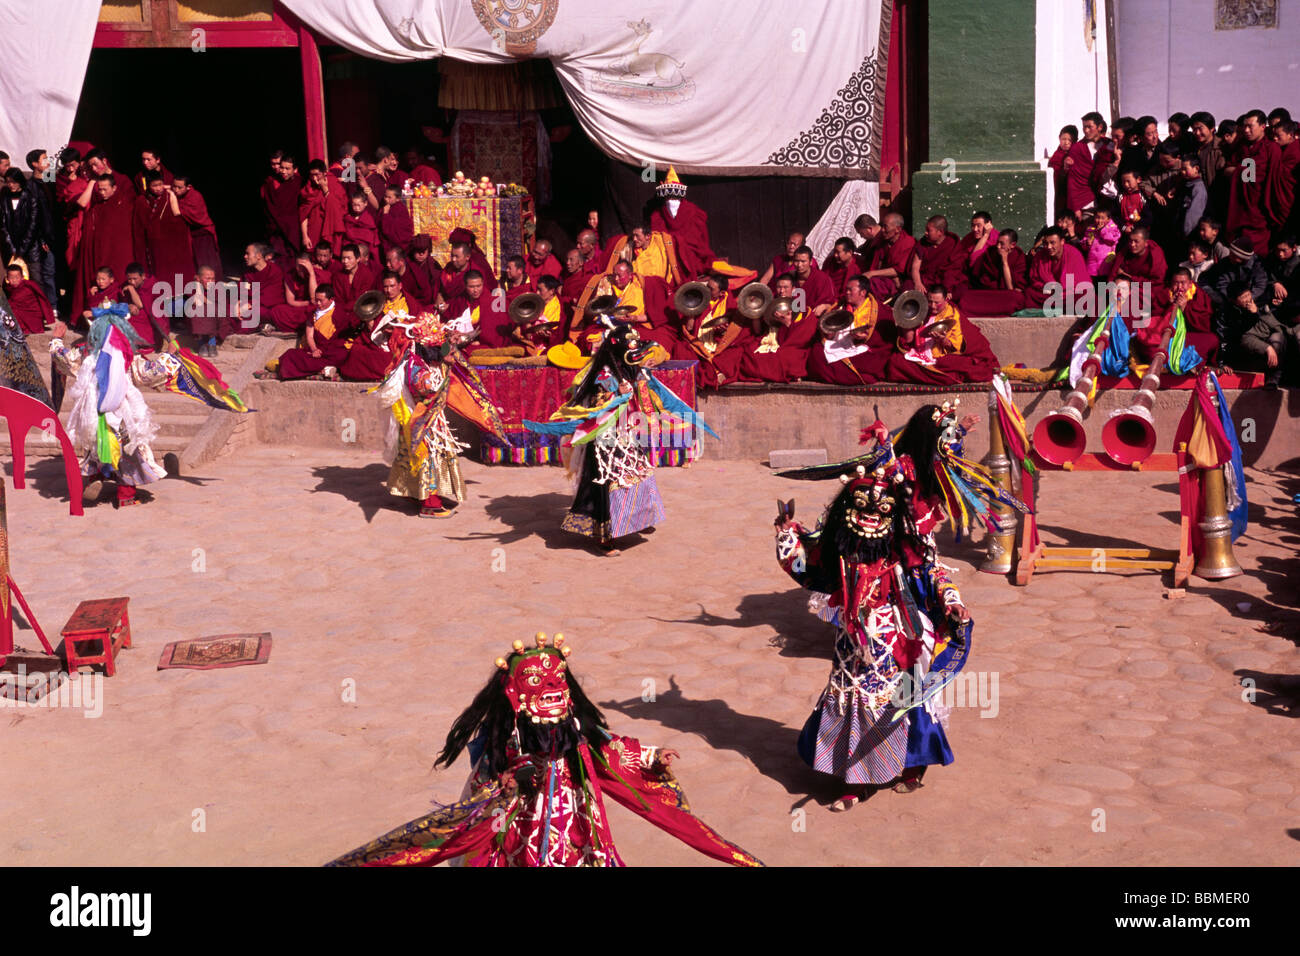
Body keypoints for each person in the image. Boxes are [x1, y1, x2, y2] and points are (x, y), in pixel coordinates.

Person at [326, 632, 762, 867]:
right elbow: (485, 788)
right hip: (524, 824)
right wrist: (512, 781)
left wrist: (650, 756)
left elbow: (611, 750)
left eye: (558, 684)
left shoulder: (577, 727)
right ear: (515, 694)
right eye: (540, 685)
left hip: (576, 818)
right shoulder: (506, 737)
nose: (552, 693)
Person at [773, 421, 973, 809]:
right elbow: (805, 567)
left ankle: (911, 765)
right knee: (851, 699)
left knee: (902, 700)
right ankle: (857, 778)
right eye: (861, 508)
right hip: (851, 645)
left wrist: (951, 600)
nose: (870, 517)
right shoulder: (840, 556)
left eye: (881, 510)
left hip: (899, 637)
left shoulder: (903, 548)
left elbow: (933, 572)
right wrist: (787, 533)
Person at [526, 320, 715, 553]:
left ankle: (636, 519)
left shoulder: (630, 366)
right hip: (605, 437)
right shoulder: (603, 373)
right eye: (631, 347)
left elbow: (646, 389)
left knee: (638, 471)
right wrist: (616, 392)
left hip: (627, 430)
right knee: (608, 480)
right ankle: (605, 536)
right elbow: (595, 405)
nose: (635, 352)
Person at [375, 312, 505, 517]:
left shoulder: (427, 360)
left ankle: (415, 493)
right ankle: (430, 504)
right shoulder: (415, 366)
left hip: (427, 417)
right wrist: (434, 382)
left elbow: (446, 360)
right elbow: (425, 388)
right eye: (438, 347)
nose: (443, 351)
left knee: (414, 457)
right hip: (422, 420)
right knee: (430, 457)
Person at [48, 308, 170, 508]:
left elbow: (63, 360)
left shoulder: (84, 352)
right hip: (121, 412)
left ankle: (98, 476)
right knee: (126, 453)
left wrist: (56, 340)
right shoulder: (128, 355)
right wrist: (169, 358)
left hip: (92, 411)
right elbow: (150, 373)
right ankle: (125, 496)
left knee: (98, 446)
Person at [885, 285, 1000, 385]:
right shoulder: (922, 310)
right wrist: (906, 320)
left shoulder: (953, 315)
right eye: (930, 301)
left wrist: (943, 340)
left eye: (937, 303)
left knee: (949, 364)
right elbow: (909, 341)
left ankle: (933, 374)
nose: (933, 306)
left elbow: (957, 347)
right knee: (895, 363)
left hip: (941, 357)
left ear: (946, 300)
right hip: (920, 354)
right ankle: (933, 374)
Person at [805, 274, 891, 386]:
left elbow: (882, 338)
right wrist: (829, 333)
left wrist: (864, 338)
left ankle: (842, 374)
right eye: (846, 290)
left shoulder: (878, 310)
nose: (847, 293)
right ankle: (845, 375)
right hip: (839, 345)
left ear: (863, 292)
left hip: (861, 348)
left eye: (851, 290)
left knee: (870, 361)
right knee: (816, 354)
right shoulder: (839, 307)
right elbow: (827, 331)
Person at [72, 174, 136, 321]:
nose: (102, 193)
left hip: (119, 255)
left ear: (114, 188)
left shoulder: (125, 204)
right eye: (99, 190)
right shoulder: (96, 208)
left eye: (105, 189)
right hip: (101, 255)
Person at [672, 272, 751, 387]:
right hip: (698, 344)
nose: (707, 290)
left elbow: (733, 332)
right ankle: (714, 371)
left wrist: (723, 331)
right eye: (707, 286)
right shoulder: (699, 298)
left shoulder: (729, 304)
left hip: (718, 346)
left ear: (721, 293)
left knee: (736, 352)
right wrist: (692, 312)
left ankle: (715, 369)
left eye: (711, 289)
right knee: (680, 349)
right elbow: (689, 329)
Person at [739, 273, 818, 382]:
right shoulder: (770, 305)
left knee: (785, 357)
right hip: (769, 341)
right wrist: (755, 314)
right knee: (748, 353)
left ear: (794, 289)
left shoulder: (802, 309)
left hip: (789, 345)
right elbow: (758, 331)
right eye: (779, 287)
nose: (781, 291)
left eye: (785, 287)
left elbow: (802, 338)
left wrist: (788, 324)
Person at [1203, 236, 1270, 364]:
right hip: (1231, 301)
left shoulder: (1257, 265)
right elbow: (1222, 284)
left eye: (1235, 255)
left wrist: (1247, 300)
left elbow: (1261, 285)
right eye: (1231, 253)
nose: (1231, 257)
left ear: (1244, 258)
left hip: (1251, 302)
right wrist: (1234, 300)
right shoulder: (1225, 263)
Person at [1225, 109, 1284, 256]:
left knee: (1258, 255)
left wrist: (1242, 170)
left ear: (1263, 127)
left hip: (1260, 209)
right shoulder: (1241, 147)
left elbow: (1274, 179)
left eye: (1250, 126)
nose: (1246, 130)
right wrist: (1243, 169)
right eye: (1244, 126)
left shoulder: (1272, 148)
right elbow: (1227, 170)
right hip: (1240, 207)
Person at [339, 271, 410, 381]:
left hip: (396, 347)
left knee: (390, 360)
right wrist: (369, 324)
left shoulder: (408, 303)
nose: (389, 290)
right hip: (376, 343)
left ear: (400, 286)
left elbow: (412, 328)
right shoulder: (379, 302)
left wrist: (394, 331)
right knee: (355, 351)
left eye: (392, 286)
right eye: (386, 287)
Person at [274, 284, 350, 381]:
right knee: (290, 354)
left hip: (332, 350)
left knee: (342, 355)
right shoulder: (313, 314)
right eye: (316, 300)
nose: (318, 303)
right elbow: (310, 336)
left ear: (331, 299)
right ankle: (326, 368)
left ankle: (324, 368)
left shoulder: (340, 313)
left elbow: (344, 338)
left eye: (321, 300)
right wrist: (314, 350)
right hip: (317, 350)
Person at [132, 171, 192, 289]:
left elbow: (178, 221)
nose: (158, 188)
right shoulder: (141, 201)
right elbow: (138, 226)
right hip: (151, 245)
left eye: (160, 184)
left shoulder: (170, 196)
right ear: (148, 186)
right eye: (154, 186)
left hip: (169, 244)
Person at [959, 229, 1028, 316]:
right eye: (997, 243)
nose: (998, 246)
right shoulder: (991, 252)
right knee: (965, 297)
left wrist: (1005, 262)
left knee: (1017, 298)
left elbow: (1011, 289)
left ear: (1012, 245)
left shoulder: (1019, 257)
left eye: (1002, 244)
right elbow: (982, 280)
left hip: (1006, 296)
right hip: (990, 294)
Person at [1024, 226, 1090, 310]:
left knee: (1084, 295)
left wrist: (1059, 289)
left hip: (1068, 294)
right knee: (1029, 292)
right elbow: (1034, 279)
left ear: (1062, 241)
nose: (1048, 247)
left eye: (1052, 243)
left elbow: (1080, 282)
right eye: (1045, 243)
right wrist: (1048, 287)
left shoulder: (1073, 254)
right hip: (1049, 294)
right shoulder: (1040, 256)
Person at [170, 175, 222, 275]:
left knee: (207, 263)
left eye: (179, 187)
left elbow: (177, 212)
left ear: (188, 187)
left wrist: (172, 195)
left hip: (203, 234)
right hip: (192, 234)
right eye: (174, 186)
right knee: (196, 263)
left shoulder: (195, 196)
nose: (176, 190)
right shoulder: (181, 195)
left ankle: (214, 287)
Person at [860, 212, 916, 302]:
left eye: (885, 227)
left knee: (871, 283)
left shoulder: (907, 242)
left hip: (901, 280)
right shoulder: (884, 241)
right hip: (888, 278)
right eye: (882, 226)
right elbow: (878, 263)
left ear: (897, 229)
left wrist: (871, 273)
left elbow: (899, 270)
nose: (882, 230)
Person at [907, 215, 965, 296]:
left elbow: (953, 270)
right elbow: (915, 267)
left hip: (944, 281)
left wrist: (947, 288)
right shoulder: (923, 243)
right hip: (926, 280)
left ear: (940, 232)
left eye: (929, 230)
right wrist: (918, 283)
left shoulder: (952, 244)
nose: (925, 233)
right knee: (908, 286)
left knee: (959, 289)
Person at [299, 159, 347, 255]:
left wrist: (325, 189)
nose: (314, 178)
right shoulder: (308, 189)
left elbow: (339, 210)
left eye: (317, 174)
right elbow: (304, 215)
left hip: (331, 229)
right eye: (312, 175)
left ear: (325, 173)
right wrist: (305, 236)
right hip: (313, 230)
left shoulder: (334, 185)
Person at [262, 153, 303, 258]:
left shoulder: (299, 183)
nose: (283, 171)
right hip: (276, 230)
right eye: (282, 168)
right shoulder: (270, 183)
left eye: (287, 168)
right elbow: (269, 206)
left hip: (292, 229)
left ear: (295, 169)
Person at [3, 263, 53, 333]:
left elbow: (41, 299)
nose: (14, 280)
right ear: (7, 279)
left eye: (17, 277)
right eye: (11, 278)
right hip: (19, 314)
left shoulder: (28, 286)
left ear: (22, 277)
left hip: (33, 317)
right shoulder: (8, 288)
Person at [378, 184, 414, 259]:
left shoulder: (400, 209)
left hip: (396, 245)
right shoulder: (386, 207)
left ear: (398, 199)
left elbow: (388, 230)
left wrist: (385, 214)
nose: (386, 199)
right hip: (385, 243)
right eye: (385, 196)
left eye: (389, 197)